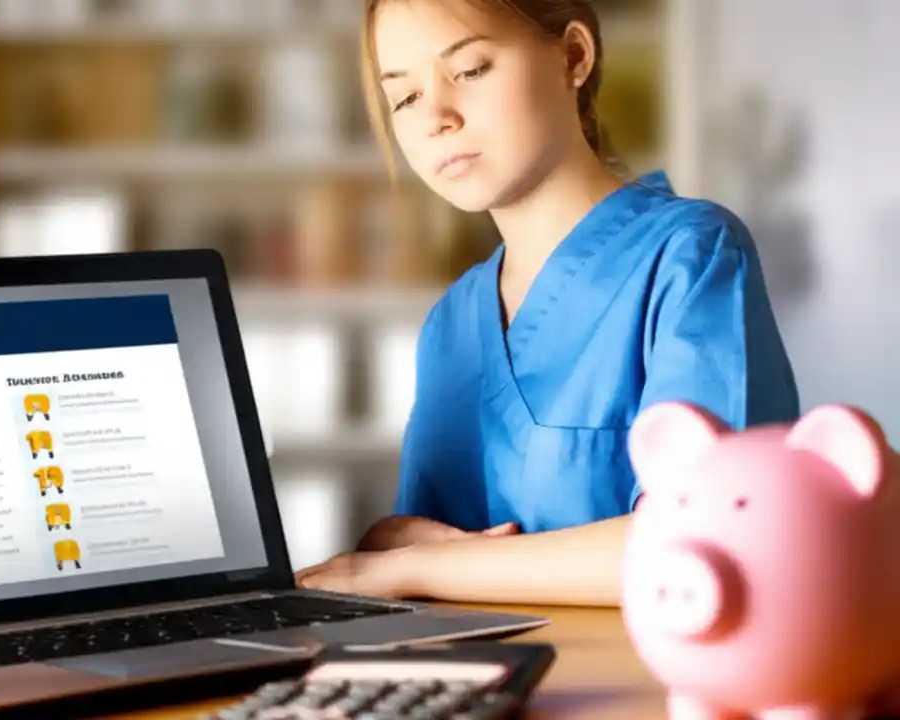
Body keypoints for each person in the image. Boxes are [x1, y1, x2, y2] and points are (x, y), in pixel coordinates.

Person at [294, 0, 799, 606]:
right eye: (404, 98)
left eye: (472, 70)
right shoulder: (452, 325)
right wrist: (394, 543)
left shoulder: (691, 256)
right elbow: (416, 542)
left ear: (573, 56)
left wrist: (410, 568)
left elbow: (714, 541)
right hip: (486, 680)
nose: (437, 117)